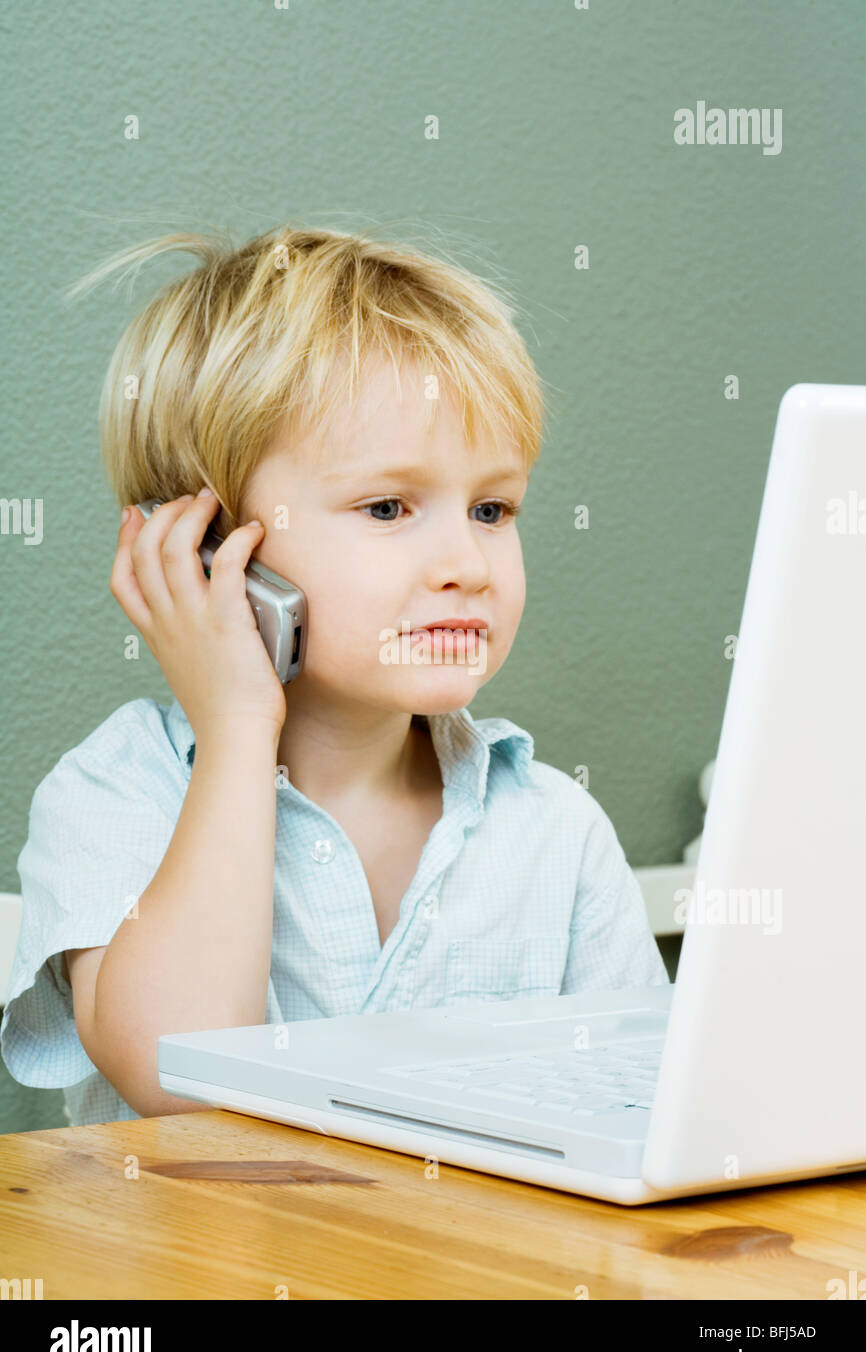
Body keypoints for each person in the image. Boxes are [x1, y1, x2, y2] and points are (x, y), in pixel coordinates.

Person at [0, 222, 668, 1125]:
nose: (467, 563)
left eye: (491, 508)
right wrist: (239, 729)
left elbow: (638, 1117)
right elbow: (180, 1076)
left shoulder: (557, 833)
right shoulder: (117, 793)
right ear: (207, 547)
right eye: (389, 506)